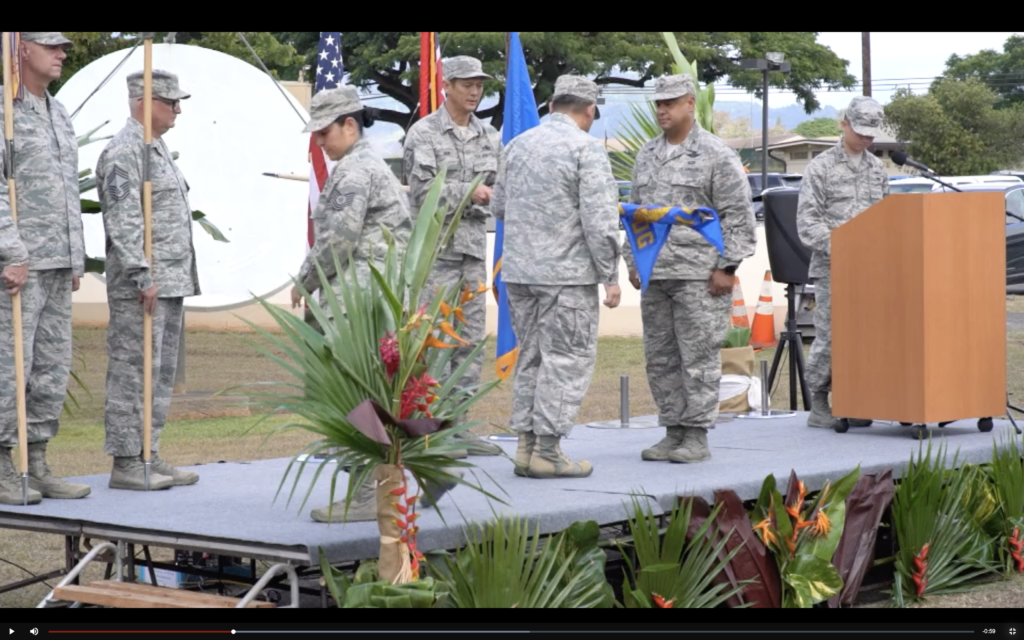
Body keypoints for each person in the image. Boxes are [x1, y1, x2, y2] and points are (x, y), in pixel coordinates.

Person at [289, 85, 413, 523]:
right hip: (368, 295)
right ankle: (373, 490)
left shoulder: (356, 171)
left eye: (324, 132)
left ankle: (367, 494)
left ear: (349, 125)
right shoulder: (362, 166)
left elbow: (338, 240)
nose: (319, 142)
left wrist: (304, 280)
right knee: (364, 391)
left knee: (358, 392)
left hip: (359, 300)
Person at [491, 75, 622, 479]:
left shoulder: (516, 145)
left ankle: (526, 448)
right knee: (566, 360)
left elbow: (497, 206)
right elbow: (600, 222)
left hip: (520, 274)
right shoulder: (585, 150)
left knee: (530, 357)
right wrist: (610, 276)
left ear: (551, 106)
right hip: (566, 278)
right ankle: (548, 451)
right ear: (589, 111)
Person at [624, 74, 757, 464]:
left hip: (700, 275)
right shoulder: (647, 154)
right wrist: (632, 262)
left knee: (697, 356)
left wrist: (727, 267)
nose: (662, 110)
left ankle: (696, 434)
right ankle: (673, 430)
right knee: (661, 357)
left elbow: (738, 216)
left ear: (689, 103)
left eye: (670, 102)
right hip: (656, 273)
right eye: (658, 104)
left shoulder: (716, 153)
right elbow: (635, 214)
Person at [95, 69, 200, 491]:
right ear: (144, 101)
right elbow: (122, 217)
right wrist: (141, 273)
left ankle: (148, 454)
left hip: (170, 281)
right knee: (132, 372)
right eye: (171, 102)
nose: (177, 110)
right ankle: (125, 461)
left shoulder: (156, 148)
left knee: (157, 377)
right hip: (144, 286)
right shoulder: (125, 151)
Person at [0, 32, 90, 505]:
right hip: (20, 265)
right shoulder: (4, 111)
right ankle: (1, 465)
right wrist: (10, 250)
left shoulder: (58, 112)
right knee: (9, 368)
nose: (60, 54)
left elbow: (68, 189)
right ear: (21, 49)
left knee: (51, 370)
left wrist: (75, 255)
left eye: (64, 48)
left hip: (57, 263)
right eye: (51, 45)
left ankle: (36, 464)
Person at [401, 55, 502, 458]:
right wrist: (468, 192)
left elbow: (497, 190)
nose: (475, 91)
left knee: (470, 343)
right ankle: (433, 430)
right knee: (434, 342)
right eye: (466, 84)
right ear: (447, 85)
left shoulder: (489, 136)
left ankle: (460, 425)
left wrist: (478, 196)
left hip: (472, 253)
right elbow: (422, 192)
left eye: (479, 84)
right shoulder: (424, 134)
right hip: (435, 254)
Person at [796, 96, 890, 429]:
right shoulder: (821, 166)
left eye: (871, 133)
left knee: (870, 334)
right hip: (833, 266)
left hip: (871, 269)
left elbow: (886, 217)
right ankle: (820, 400)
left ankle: (859, 396)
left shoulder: (877, 169)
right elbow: (807, 222)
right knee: (833, 335)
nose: (866, 138)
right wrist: (844, 246)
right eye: (860, 130)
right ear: (844, 124)